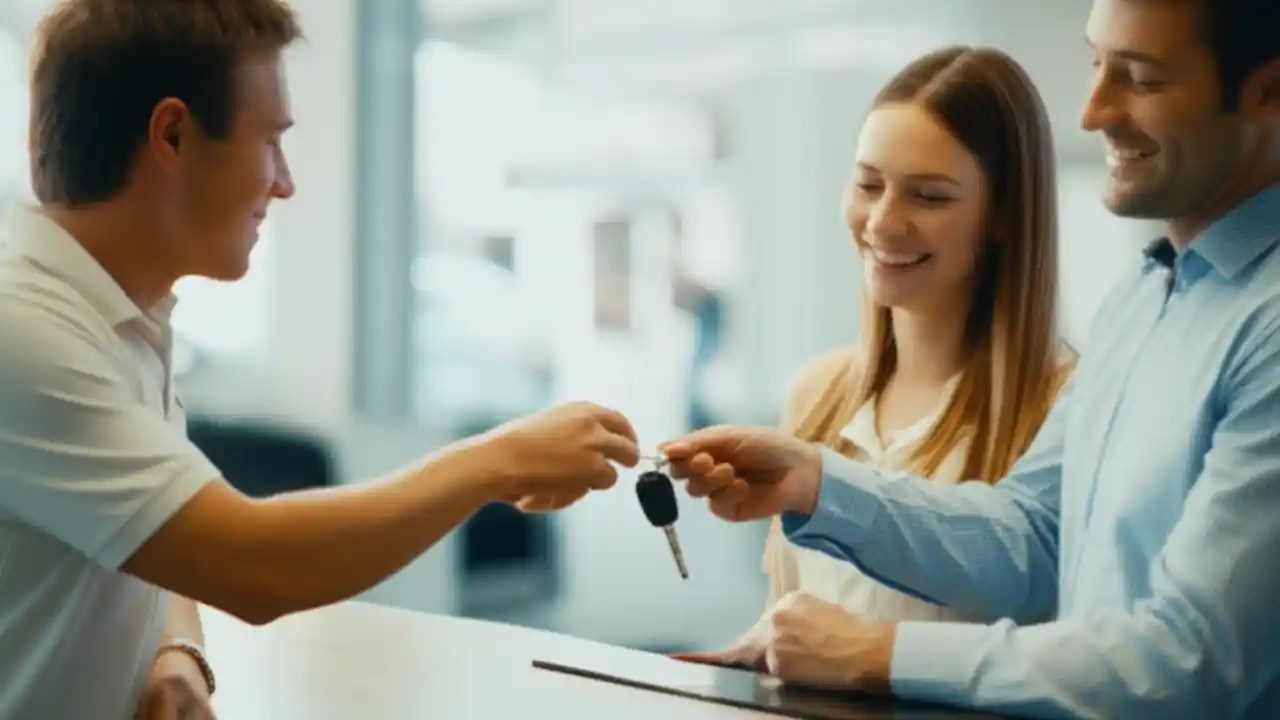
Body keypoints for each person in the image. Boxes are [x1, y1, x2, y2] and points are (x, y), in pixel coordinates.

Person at [0, 2, 639, 719]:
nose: (284, 182)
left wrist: (176, 656)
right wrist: (494, 462)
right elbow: (254, 566)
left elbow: (157, 543)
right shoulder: (24, 333)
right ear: (173, 134)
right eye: (270, 141)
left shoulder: (116, 322)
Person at [663, 0, 1280, 717]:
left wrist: (872, 653)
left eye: (1139, 79)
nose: (1091, 111)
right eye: (1096, 65)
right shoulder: (1142, 301)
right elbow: (1031, 537)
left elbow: (1189, 661)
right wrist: (816, 484)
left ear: (1268, 91)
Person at [671, 46, 1072, 670]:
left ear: (1002, 218)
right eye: (867, 184)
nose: (883, 223)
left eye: (929, 197)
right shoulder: (820, 390)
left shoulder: (1063, 406)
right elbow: (797, 610)